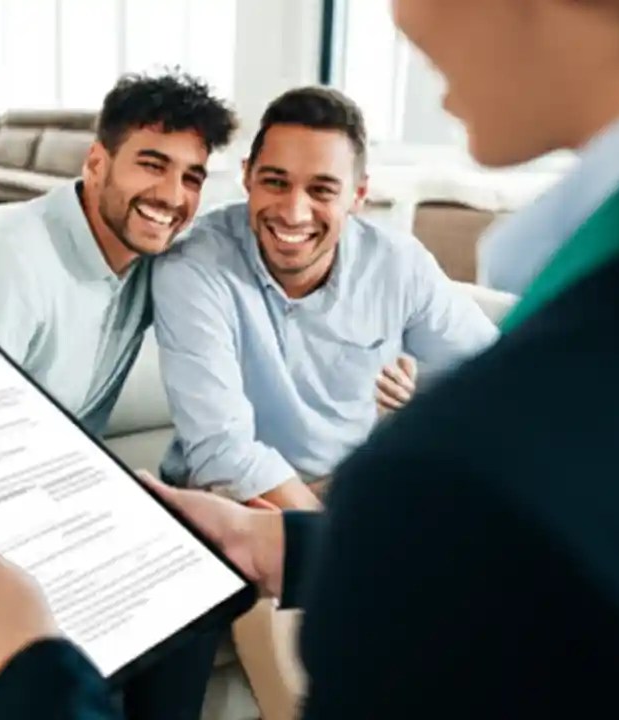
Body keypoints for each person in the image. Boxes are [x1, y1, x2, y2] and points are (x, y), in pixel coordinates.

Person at [0, 0, 619, 718]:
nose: (404, 18)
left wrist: (27, 667)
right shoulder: (161, 263)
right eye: (272, 182)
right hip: (61, 495)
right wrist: (295, 543)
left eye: (189, 174)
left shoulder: (461, 462)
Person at [0, 69, 239, 720]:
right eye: (152, 164)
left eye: (192, 176)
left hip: (44, 506)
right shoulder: (14, 259)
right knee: (104, 621)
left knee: (194, 584)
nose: (172, 194)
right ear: (96, 162)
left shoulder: (154, 262)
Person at [154, 86, 497, 510]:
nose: (294, 212)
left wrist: (419, 405)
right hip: (229, 503)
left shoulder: (398, 265)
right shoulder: (194, 268)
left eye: (322, 190)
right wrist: (328, 545)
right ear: (247, 176)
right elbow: (224, 453)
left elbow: (499, 374)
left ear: (357, 195)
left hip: (347, 491)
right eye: (276, 182)